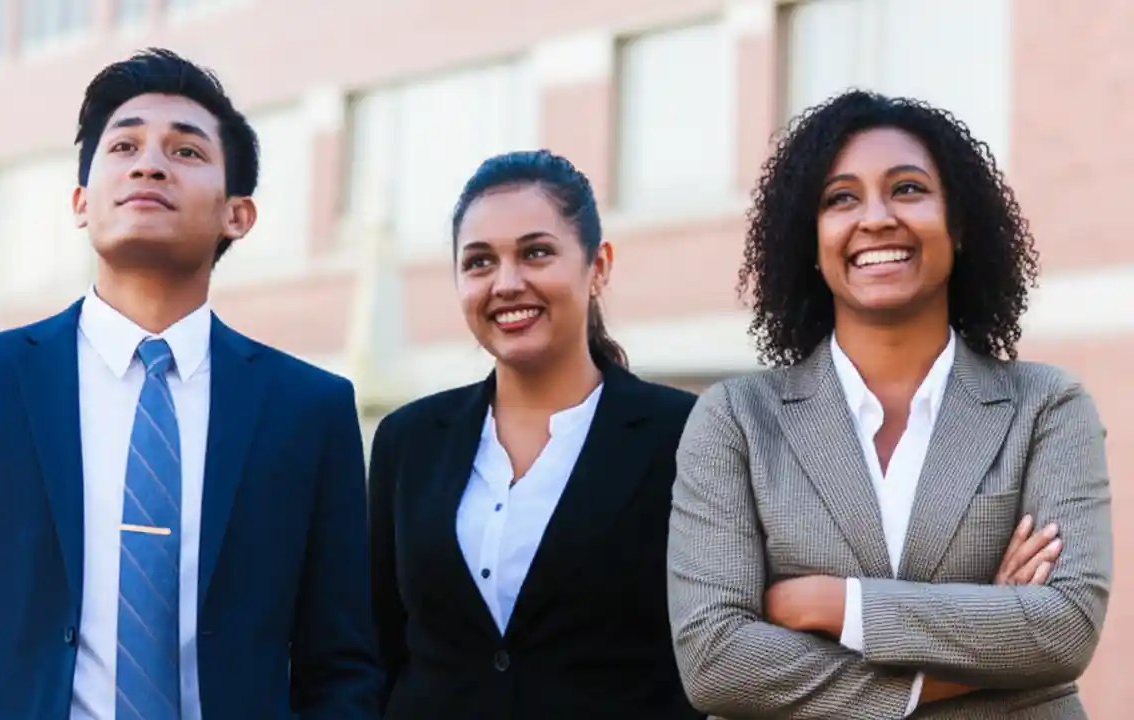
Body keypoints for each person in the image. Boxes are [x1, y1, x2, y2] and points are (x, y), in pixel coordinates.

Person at [0, 48, 380, 719]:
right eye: (124, 145)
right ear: (82, 202)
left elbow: (340, 661)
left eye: (187, 152)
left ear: (238, 215)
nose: (149, 163)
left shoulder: (309, 409)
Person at [668, 90, 1112, 719]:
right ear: (811, 241)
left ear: (957, 228)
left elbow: (1064, 627)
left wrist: (838, 604)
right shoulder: (736, 419)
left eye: (907, 189)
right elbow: (714, 661)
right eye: (840, 198)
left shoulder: (1046, 406)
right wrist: (974, 649)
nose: (875, 217)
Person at [368, 149, 699, 719]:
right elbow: (377, 642)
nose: (507, 282)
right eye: (478, 262)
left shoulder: (683, 436)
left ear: (598, 267)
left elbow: (699, 658)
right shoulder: (408, 440)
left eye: (536, 253)